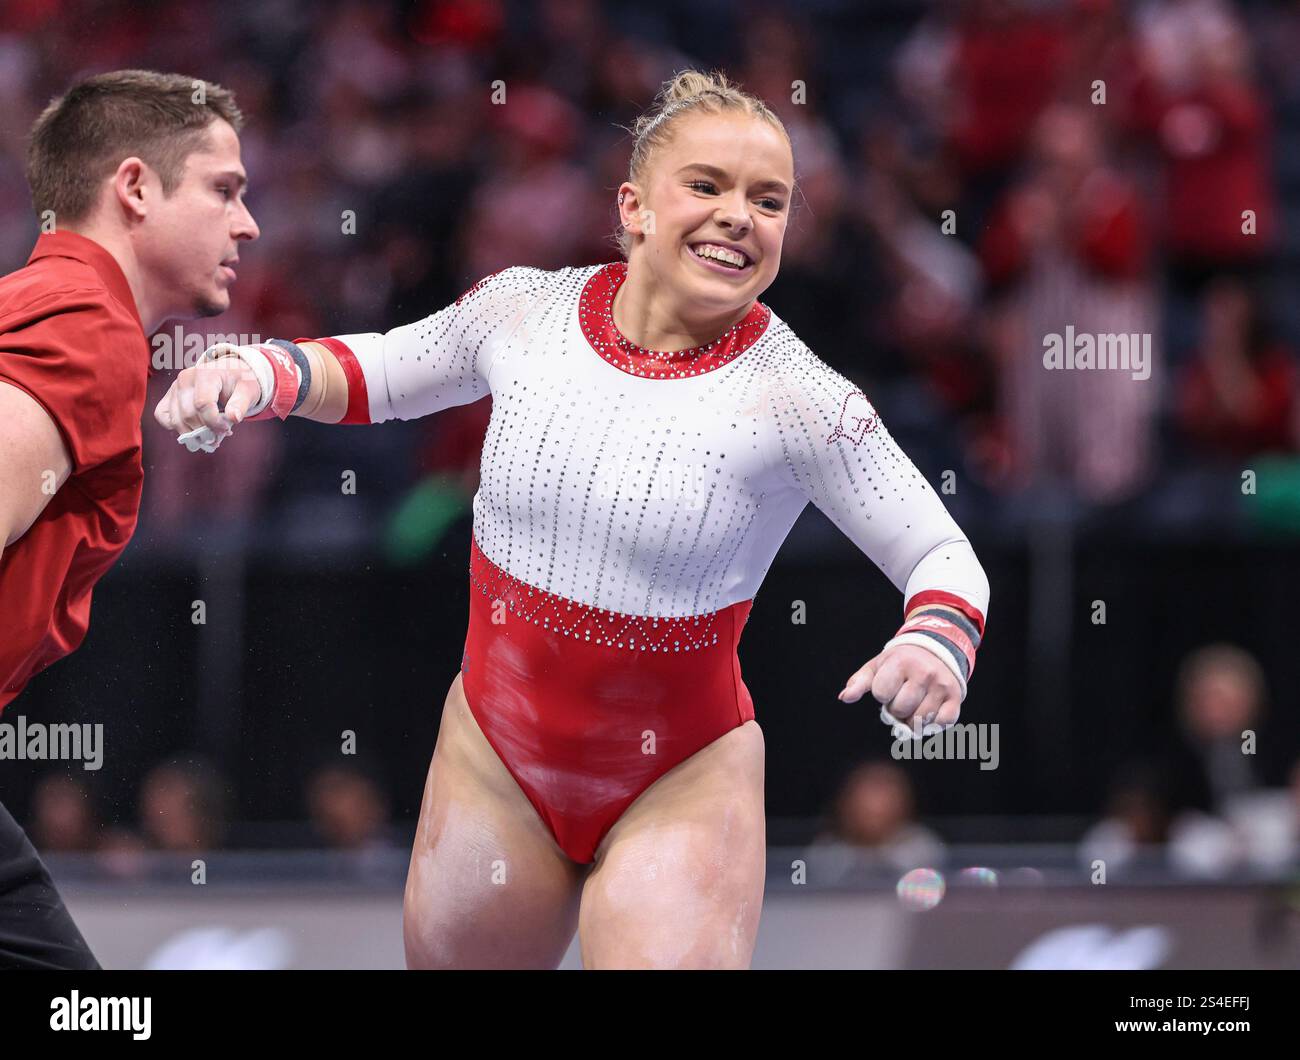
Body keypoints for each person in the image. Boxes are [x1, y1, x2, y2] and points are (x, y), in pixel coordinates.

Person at [155, 69, 990, 969]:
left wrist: (933, 639)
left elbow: (941, 550)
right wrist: (258, 372)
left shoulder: (801, 399)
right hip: (495, 758)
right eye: (706, 186)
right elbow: (381, 375)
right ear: (633, 206)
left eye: (769, 200)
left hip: (680, 775)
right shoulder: (525, 310)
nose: (738, 215)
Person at [0, 69, 259, 969]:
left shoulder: (51, 306)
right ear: (137, 188)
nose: (248, 223)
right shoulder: (84, 324)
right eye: (224, 190)